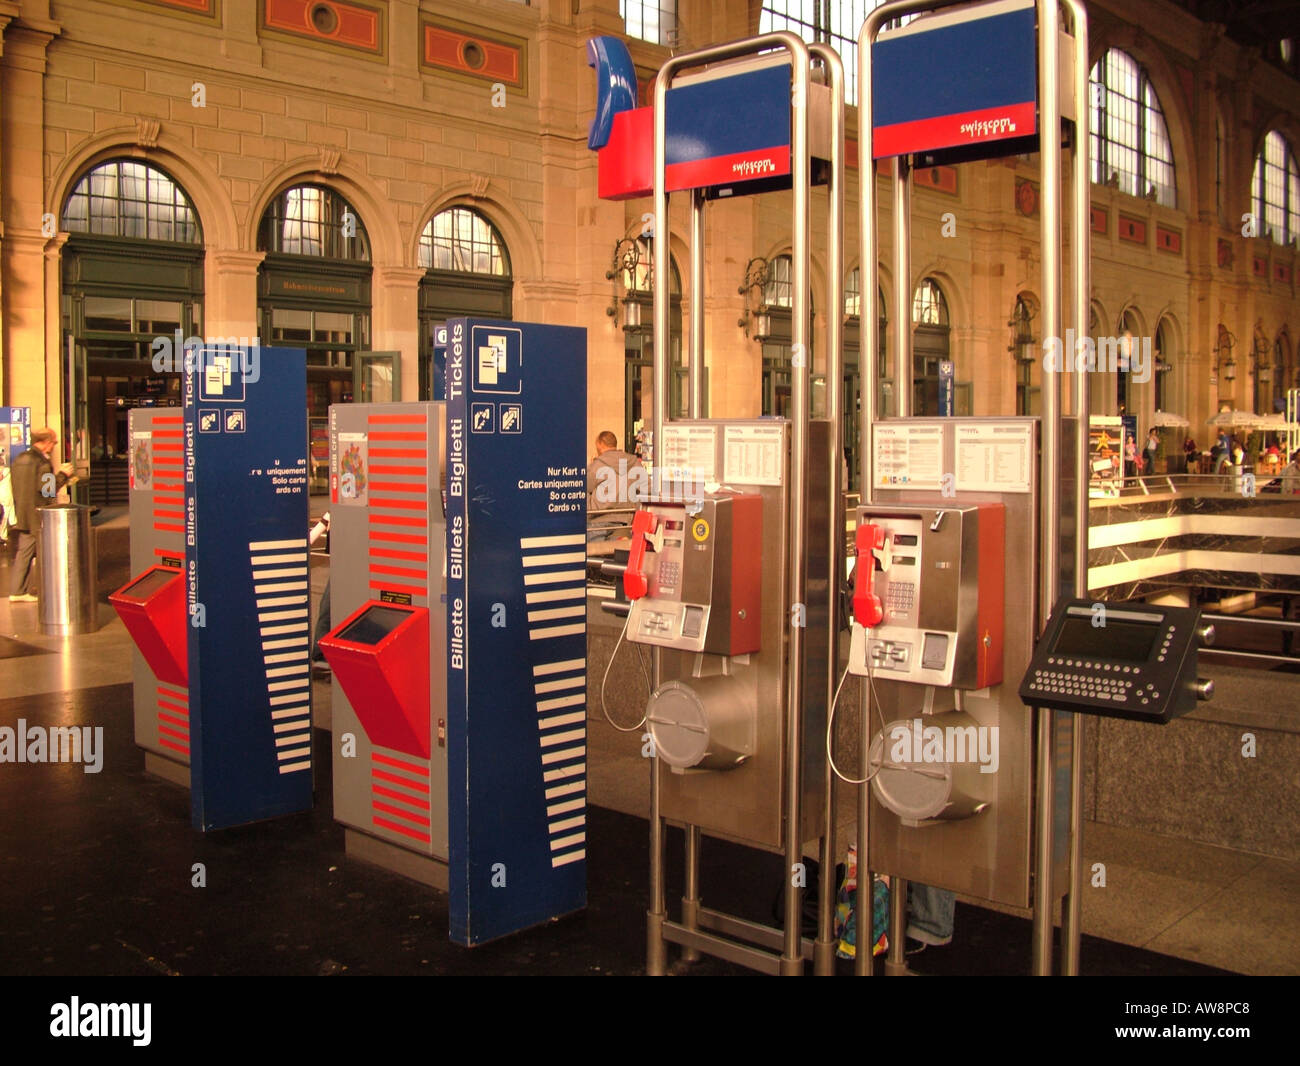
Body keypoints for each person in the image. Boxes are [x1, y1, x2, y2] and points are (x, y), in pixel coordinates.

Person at [9, 427, 75, 602]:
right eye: (54, 442)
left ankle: (18, 590)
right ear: (45, 443)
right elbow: (48, 490)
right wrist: (63, 475)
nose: (55, 445)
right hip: (39, 516)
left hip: (23, 514)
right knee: (47, 553)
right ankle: (46, 589)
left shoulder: (19, 459)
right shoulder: (43, 463)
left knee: (24, 552)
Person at [587, 430, 644, 540]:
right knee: (620, 554)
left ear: (600, 444)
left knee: (595, 555)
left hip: (597, 521)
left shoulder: (596, 466)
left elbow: (582, 488)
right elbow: (645, 489)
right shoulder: (634, 463)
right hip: (624, 522)